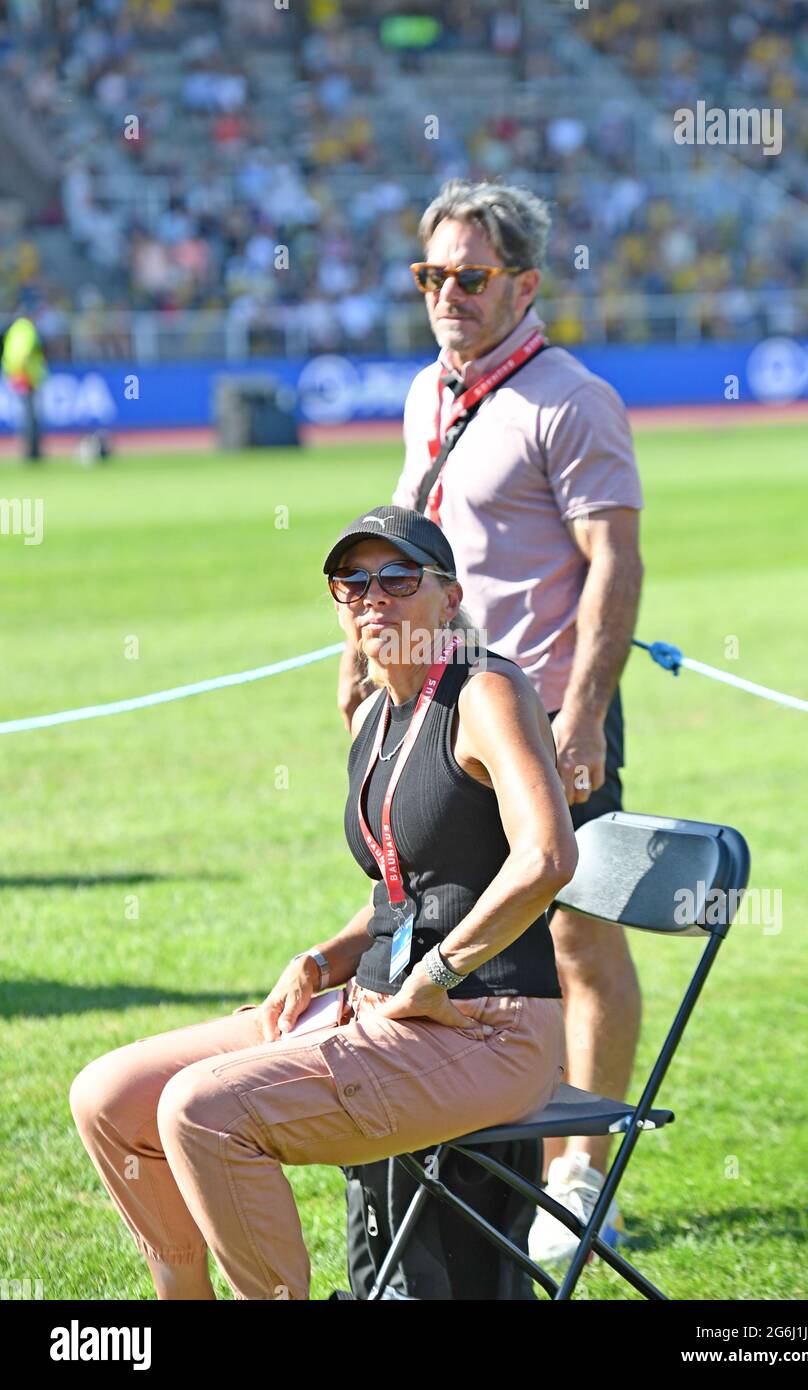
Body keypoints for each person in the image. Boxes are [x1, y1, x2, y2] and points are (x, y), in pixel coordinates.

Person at [68, 505, 576, 1301]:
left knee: (204, 1110)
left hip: (490, 1024)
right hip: (383, 1005)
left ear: (448, 596)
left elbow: (547, 858)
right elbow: (402, 889)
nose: (375, 597)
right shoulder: (374, 712)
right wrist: (318, 961)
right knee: (109, 1097)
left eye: (399, 578)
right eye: (354, 582)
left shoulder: (487, 692)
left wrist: (439, 968)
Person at [337, 178, 645, 1265]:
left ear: (521, 282)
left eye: (470, 277)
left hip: (547, 709)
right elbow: (404, 539)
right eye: (431, 276)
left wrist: (587, 715)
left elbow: (613, 558)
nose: (447, 295)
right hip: (438, 713)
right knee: (440, 909)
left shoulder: (570, 398)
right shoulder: (430, 390)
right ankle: (480, 1144)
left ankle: (579, 1170)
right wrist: (358, 657)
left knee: (572, 930)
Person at [1, 313, 47, 461]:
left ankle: (28, 449)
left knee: (25, 414)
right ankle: (32, 451)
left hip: (16, 376)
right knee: (30, 416)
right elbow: (24, 353)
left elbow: (10, 354)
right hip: (27, 378)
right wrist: (23, 374)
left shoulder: (14, 330)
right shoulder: (27, 330)